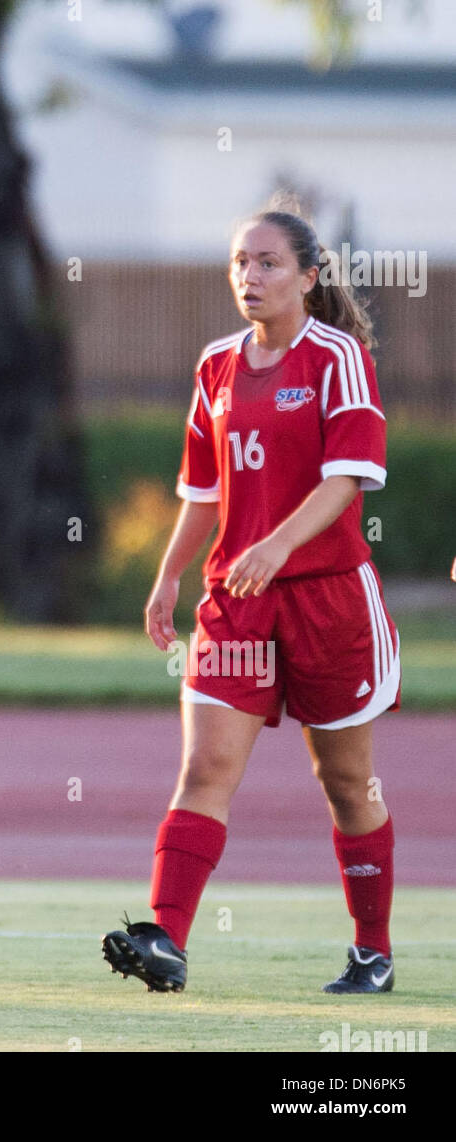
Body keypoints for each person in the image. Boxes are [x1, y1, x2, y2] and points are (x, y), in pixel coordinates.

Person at [102, 203, 401, 995]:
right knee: (204, 769)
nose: (250, 276)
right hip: (237, 601)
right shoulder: (217, 365)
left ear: (308, 277)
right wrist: (169, 574)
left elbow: (349, 479)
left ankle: (373, 948)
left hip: (329, 601)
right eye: (240, 262)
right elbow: (203, 490)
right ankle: (165, 938)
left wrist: (279, 544)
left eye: (268, 263)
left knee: (346, 784)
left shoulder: (336, 357)